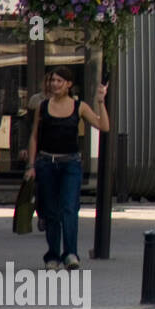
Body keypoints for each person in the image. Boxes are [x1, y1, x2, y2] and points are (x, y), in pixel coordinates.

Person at [24, 67, 109, 270]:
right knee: (51, 212)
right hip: (46, 163)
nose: (55, 84)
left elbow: (103, 126)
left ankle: (70, 253)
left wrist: (100, 101)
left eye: (59, 81)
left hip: (70, 164)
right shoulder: (42, 106)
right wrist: (31, 165)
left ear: (69, 84)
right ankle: (52, 256)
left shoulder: (79, 107)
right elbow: (34, 136)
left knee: (69, 209)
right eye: (53, 80)